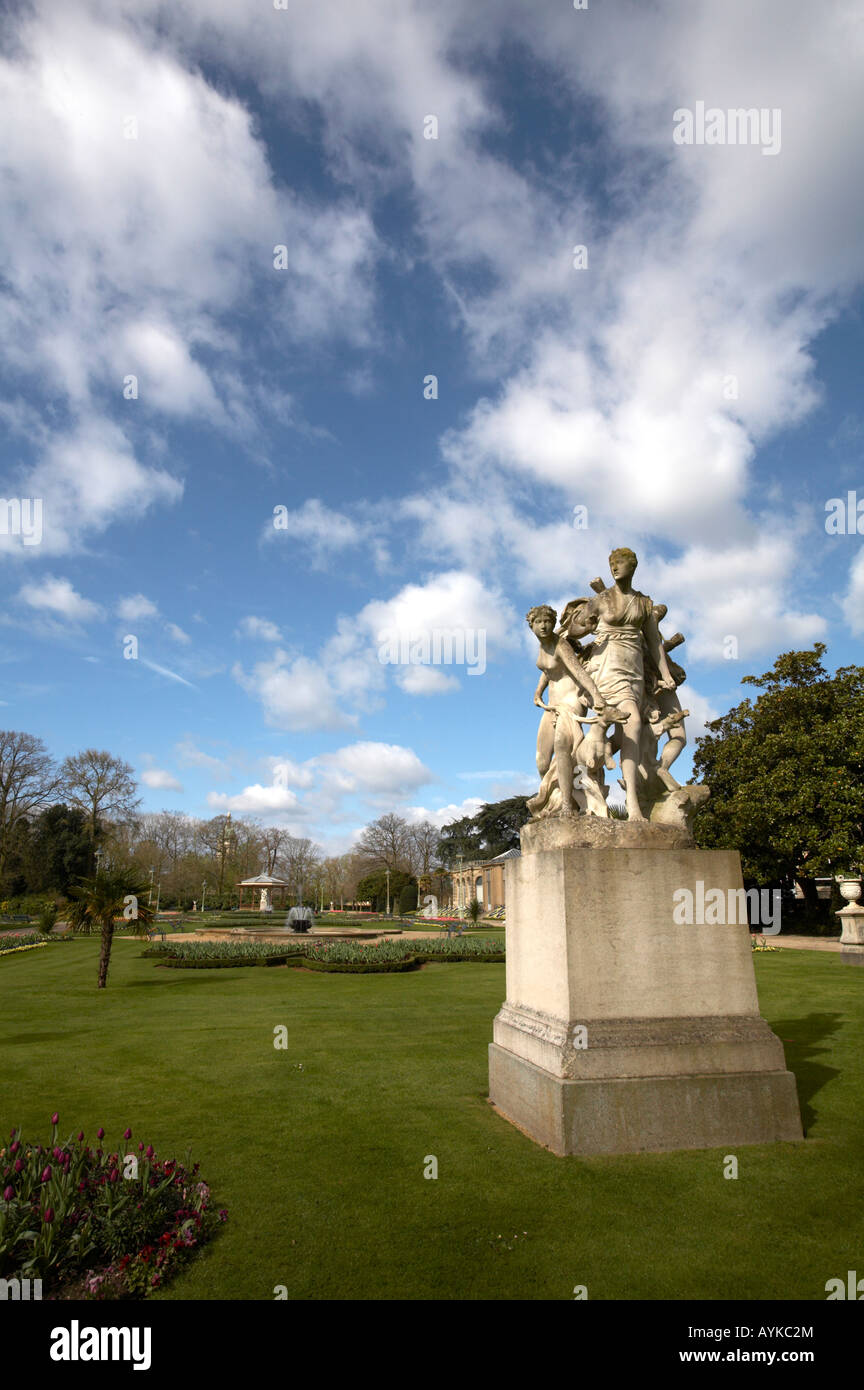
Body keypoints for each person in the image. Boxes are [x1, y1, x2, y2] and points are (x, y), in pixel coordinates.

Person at [585, 548, 677, 821]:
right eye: (611, 563)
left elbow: (654, 643)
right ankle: (632, 804)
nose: (615, 567)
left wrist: (665, 673)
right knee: (633, 721)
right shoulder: (602, 599)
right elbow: (580, 627)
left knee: (628, 732)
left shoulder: (644, 603)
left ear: (633, 567)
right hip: (608, 665)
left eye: (620, 563)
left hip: (634, 668)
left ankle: (597, 765)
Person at [526, 603, 623, 818]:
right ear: (531, 625)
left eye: (548, 621)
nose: (544, 626)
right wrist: (537, 692)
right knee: (542, 761)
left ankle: (569, 806)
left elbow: (578, 673)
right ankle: (556, 798)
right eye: (539, 622)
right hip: (552, 705)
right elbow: (548, 670)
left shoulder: (561, 645)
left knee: (562, 747)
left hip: (570, 702)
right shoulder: (543, 646)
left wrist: (596, 696)